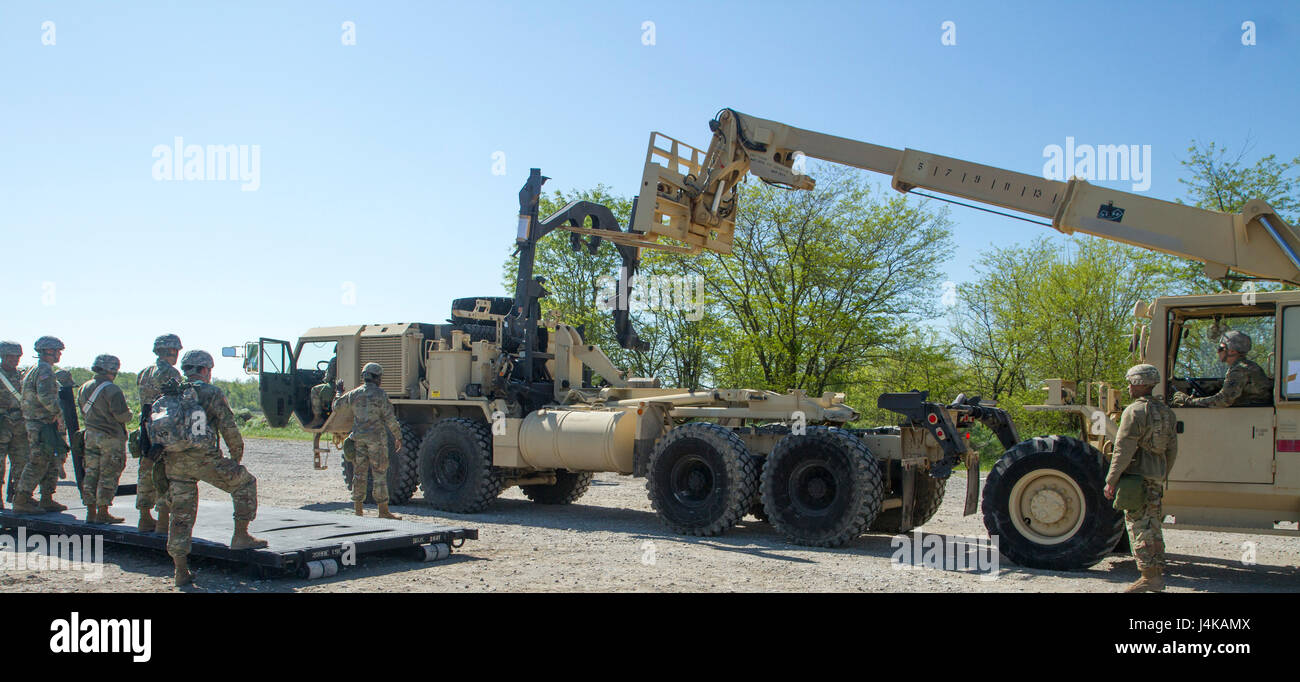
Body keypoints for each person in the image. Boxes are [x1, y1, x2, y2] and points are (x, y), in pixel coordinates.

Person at [163, 350, 266, 587]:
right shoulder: (210, 392)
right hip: (205, 459)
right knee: (245, 483)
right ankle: (241, 535)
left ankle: (180, 571)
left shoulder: (170, 390)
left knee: (180, 514)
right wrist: (236, 458)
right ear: (206, 370)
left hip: (175, 461)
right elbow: (229, 428)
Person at [1104, 363, 1179, 593]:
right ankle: (1154, 575)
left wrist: (1111, 479)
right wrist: (1161, 474)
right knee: (1154, 525)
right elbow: (1172, 450)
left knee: (1139, 527)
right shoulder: (1167, 412)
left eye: (1130, 383)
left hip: (1136, 479)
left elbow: (1122, 449)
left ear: (1138, 384)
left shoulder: (1134, 411)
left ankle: (1149, 578)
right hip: (1155, 478)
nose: (1128, 387)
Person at [331, 362, 403, 519]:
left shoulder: (354, 393)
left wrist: (338, 391)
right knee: (379, 474)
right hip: (376, 441)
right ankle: (383, 511)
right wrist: (398, 436)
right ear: (377, 377)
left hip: (359, 439)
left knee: (359, 474)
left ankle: (358, 511)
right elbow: (390, 418)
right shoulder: (380, 395)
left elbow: (336, 406)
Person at [12, 336, 68, 514]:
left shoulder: (34, 370)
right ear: (49, 351)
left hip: (40, 422)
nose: (59, 354)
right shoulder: (45, 371)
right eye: (57, 350)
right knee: (38, 460)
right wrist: (58, 414)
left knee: (51, 460)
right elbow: (45, 397)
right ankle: (21, 499)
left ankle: (46, 498)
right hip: (42, 423)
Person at [136, 333, 182, 532]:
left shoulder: (144, 372)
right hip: (162, 429)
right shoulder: (171, 373)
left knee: (146, 471)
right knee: (166, 473)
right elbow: (176, 403)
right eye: (175, 351)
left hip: (146, 425)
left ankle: (144, 518)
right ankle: (163, 522)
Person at [78, 355, 133, 524]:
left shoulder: (84, 387)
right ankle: (103, 512)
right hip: (110, 437)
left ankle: (90, 512)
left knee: (91, 473)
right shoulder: (112, 390)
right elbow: (122, 416)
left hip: (91, 435)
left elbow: (82, 411)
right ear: (113, 369)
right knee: (109, 473)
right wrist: (130, 414)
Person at [1171, 330, 1271, 408]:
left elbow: (1223, 400)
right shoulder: (1246, 366)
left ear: (1231, 351)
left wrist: (1189, 402)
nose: (1218, 352)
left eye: (1220, 348)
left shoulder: (1239, 370)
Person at [0, 341, 26, 510]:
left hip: (19, 424)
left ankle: (20, 498)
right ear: (3, 356)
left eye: (17, 356)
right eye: (11, 356)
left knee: (22, 462)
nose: (15, 360)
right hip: (1, 423)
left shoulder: (22, 376)